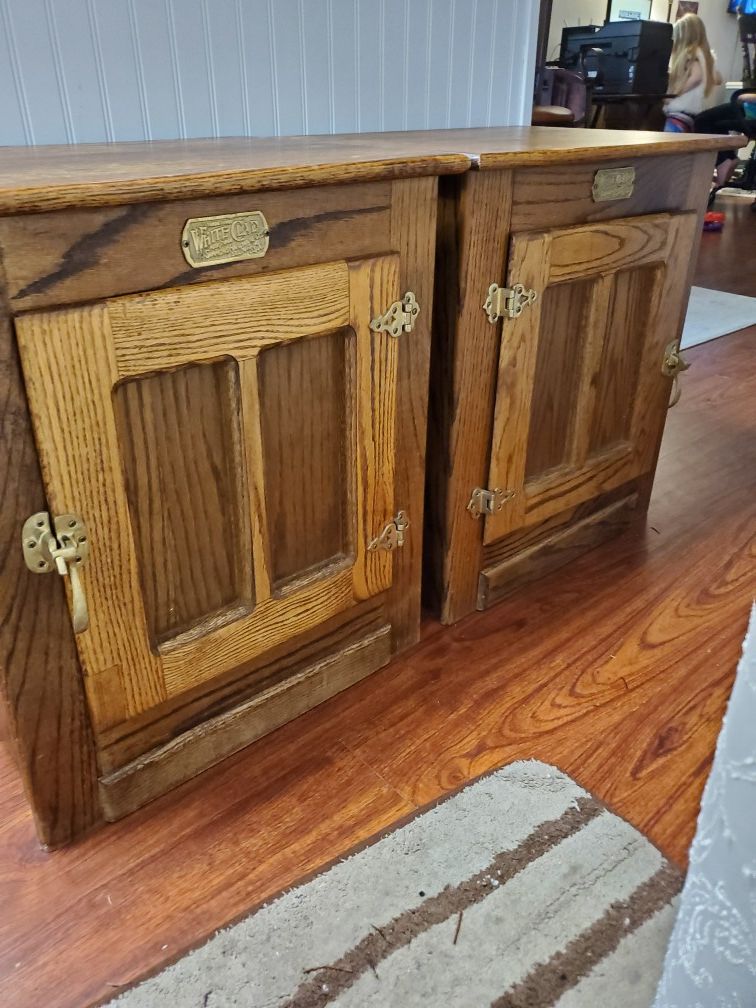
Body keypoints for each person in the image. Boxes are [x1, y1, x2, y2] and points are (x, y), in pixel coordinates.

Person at [664, 13, 722, 133]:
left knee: (668, 148)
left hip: (681, 110)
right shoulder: (707, 57)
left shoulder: (690, 52)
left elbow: (696, 77)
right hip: (696, 112)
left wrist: (673, 95)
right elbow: (717, 78)